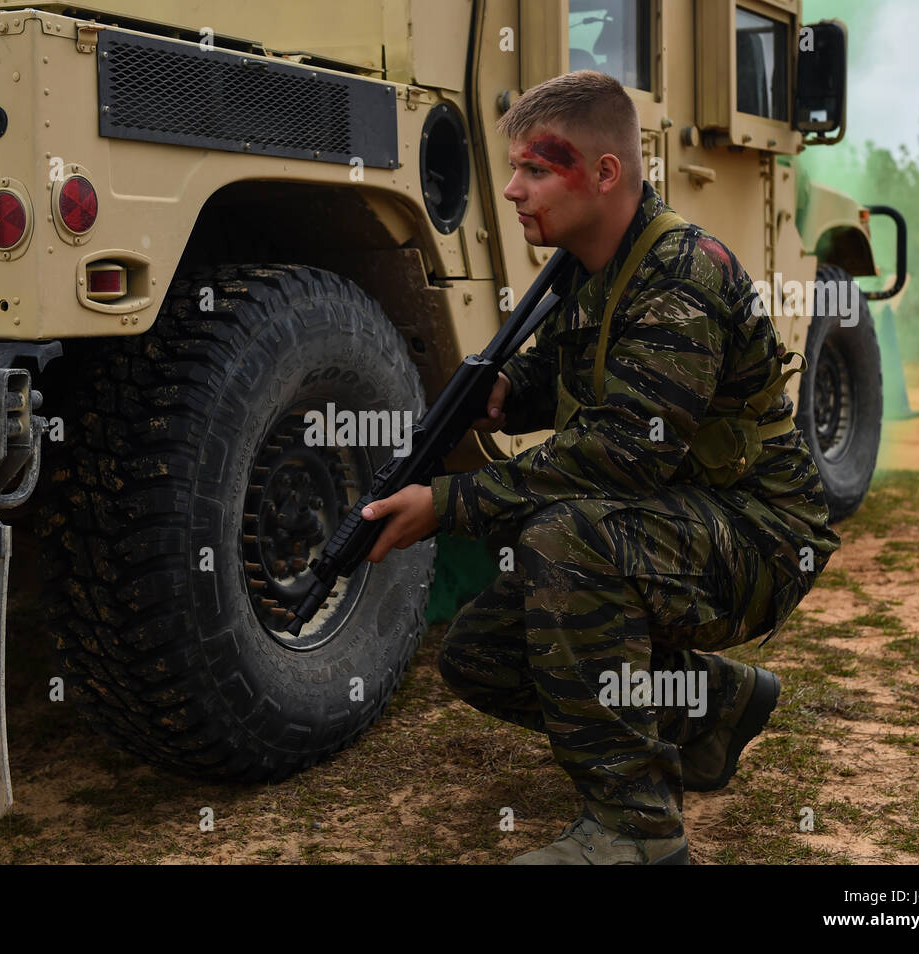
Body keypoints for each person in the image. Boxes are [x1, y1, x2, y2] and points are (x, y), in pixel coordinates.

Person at [359, 70, 841, 864]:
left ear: (606, 173)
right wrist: (507, 396)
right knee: (482, 652)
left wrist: (448, 504)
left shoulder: (683, 274)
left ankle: (636, 829)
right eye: (513, 168)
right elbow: (571, 378)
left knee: (567, 541)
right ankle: (709, 706)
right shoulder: (591, 268)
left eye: (537, 170)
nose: (512, 190)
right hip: (682, 517)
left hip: (760, 536)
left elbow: (622, 450)